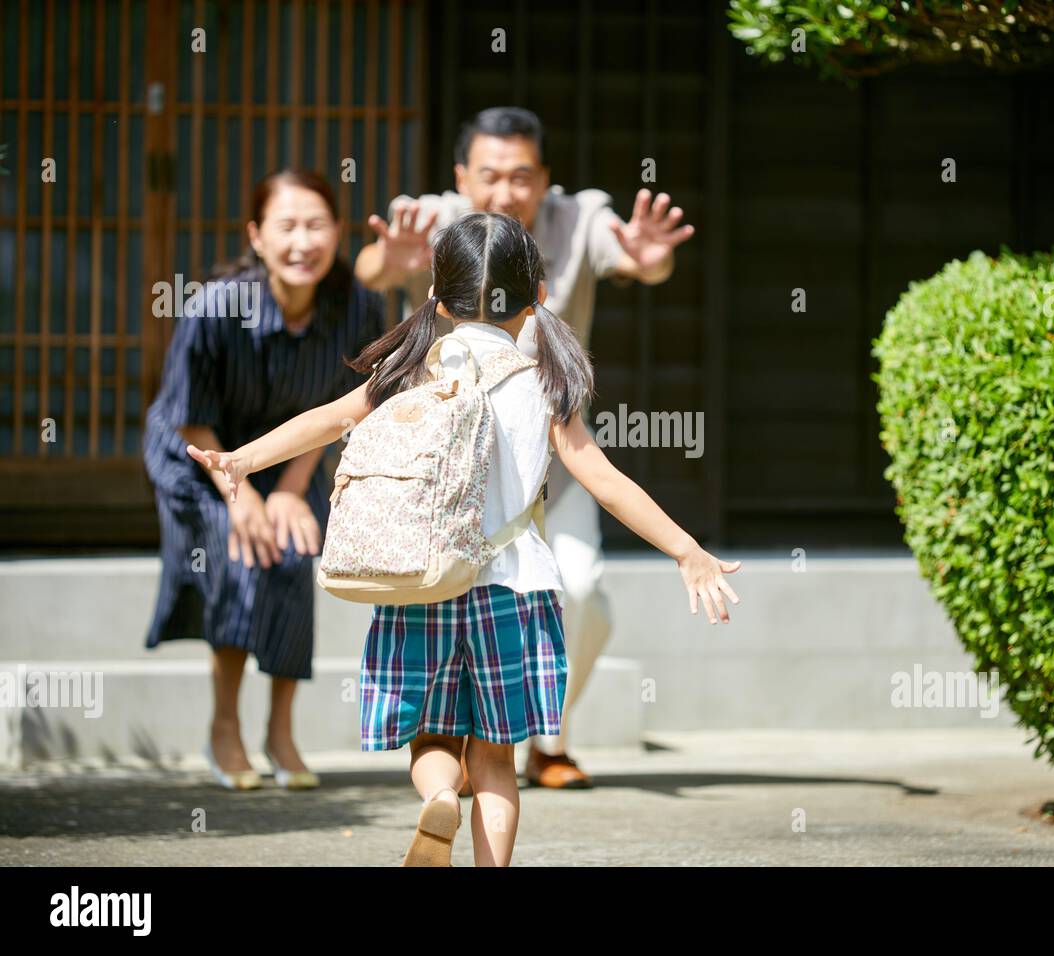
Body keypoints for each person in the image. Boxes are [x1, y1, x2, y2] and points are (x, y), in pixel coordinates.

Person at [186, 212, 740, 866]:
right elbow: (604, 480)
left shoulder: (409, 367)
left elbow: (330, 419)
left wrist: (244, 458)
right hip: (514, 590)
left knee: (432, 742)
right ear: (537, 296)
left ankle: (438, 798)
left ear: (436, 297)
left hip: (423, 582)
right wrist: (686, 549)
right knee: (497, 760)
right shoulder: (545, 380)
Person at [355, 106, 695, 789]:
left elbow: (632, 254)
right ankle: (456, 741)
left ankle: (547, 738)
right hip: (451, 469)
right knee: (440, 599)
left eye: (522, 177)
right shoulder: (435, 216)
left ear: (546, 180)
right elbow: (370, 265)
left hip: (550, 458)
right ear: (461, 177)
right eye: (489, 176)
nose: (506, 193)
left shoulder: (579, 217)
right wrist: (384, 260)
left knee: (586, 591)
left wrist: (651, 262)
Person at [143, 169, 385, 791]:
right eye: (287, 227)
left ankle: (281, 730)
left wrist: (285, 491)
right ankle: (225, 728)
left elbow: (339, 409)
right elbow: (189, 418)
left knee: (294, 554)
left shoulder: (358, 306)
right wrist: (241, 494)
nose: (303, 242)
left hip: (289, 459)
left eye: (317, 225)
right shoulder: (216, 307)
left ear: (337, 232)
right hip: (200, 455)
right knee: (238, 552)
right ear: (257, 235)